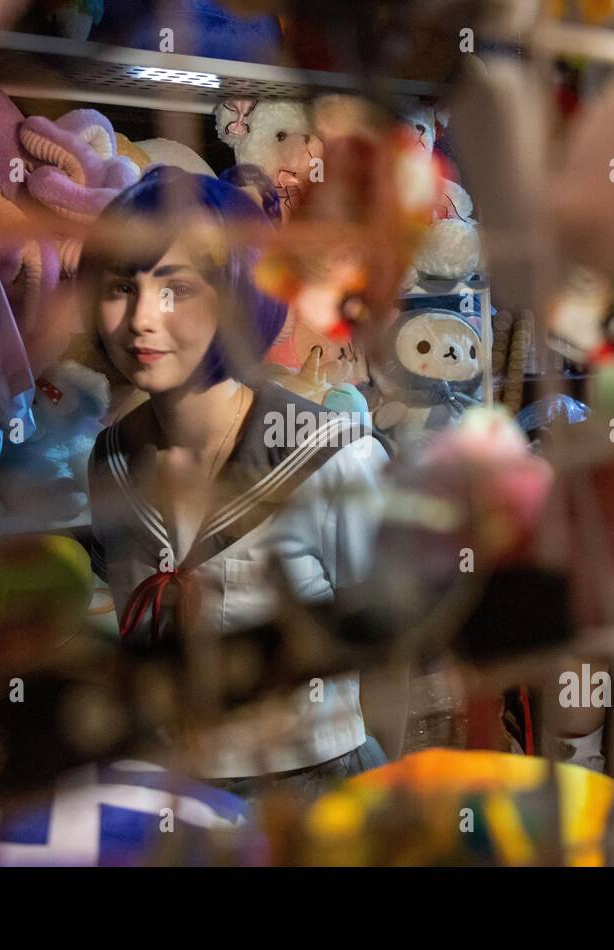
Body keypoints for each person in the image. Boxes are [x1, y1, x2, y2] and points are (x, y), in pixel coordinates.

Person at [82, 167, 393, 796]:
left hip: (307, 790)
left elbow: (392, 655)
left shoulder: (333, 458)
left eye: (177, 290)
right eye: (121, 287)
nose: (142, 319)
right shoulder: (110, 457)